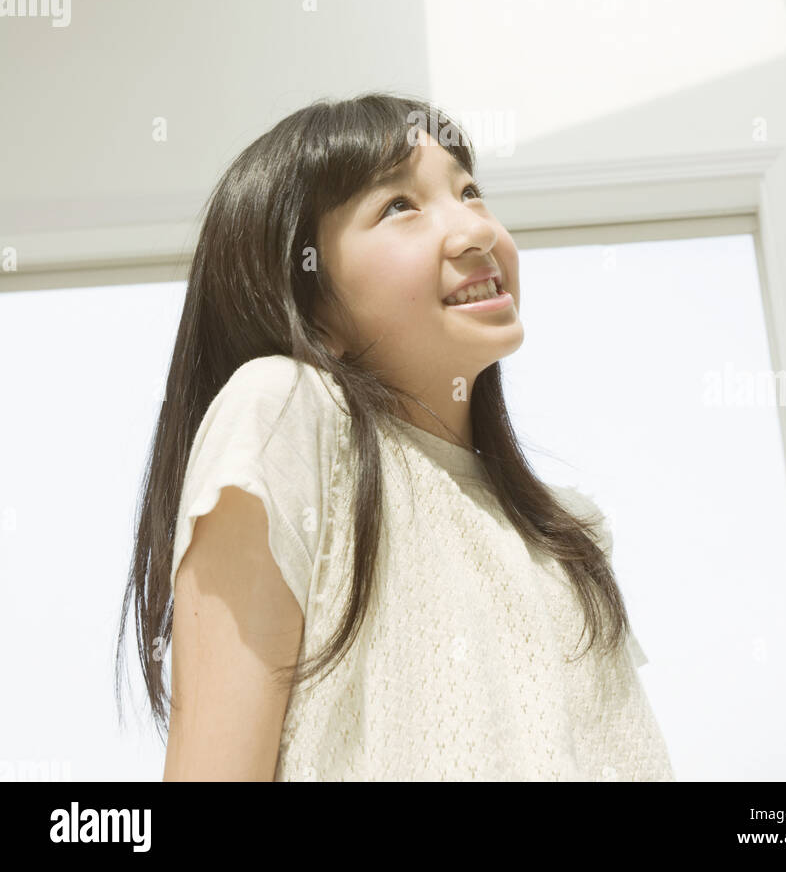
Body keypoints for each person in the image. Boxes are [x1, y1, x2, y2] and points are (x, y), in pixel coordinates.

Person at [115, 92, 675, 781]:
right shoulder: (284, 414)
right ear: (310, 306)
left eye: (469, 192)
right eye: (399, 207)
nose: (475, 231)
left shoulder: (565, 537)